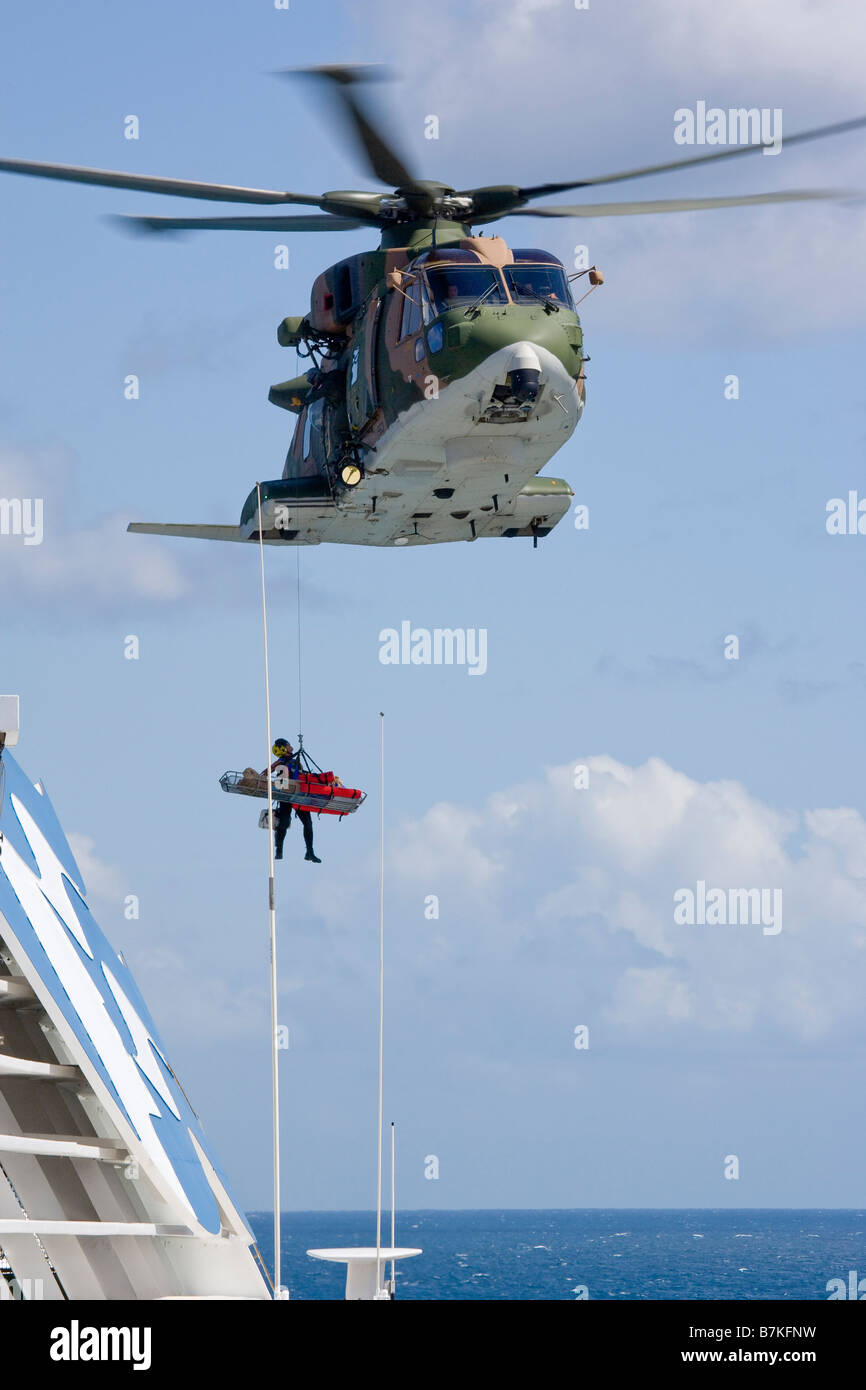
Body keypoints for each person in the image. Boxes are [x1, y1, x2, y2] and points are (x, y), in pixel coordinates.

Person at [265, 738, 321, 864]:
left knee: (308, 823)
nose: (291, 747)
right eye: (288, 745)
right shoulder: (281, 763)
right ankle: (279, 850)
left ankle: (310, 852)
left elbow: (301, 776)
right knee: (283, 823)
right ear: (283, 748)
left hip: (299, 795)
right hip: (286, 796)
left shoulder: (296, 762)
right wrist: (259, 777)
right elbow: (270, 771)